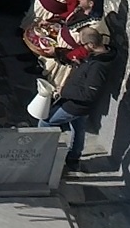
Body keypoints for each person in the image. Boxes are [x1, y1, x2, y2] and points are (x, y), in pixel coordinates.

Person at [40, 28, 111, 169]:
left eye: (82, 44)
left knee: (46, 122)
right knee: (78, 128)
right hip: (79, 105)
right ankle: (73, 157)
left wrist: (64, 91)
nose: (80, 45)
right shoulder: (97, 57)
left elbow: (89, 94)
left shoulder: (98, 67)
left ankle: (44, 155)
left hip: (75, 105)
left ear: (91, 44)